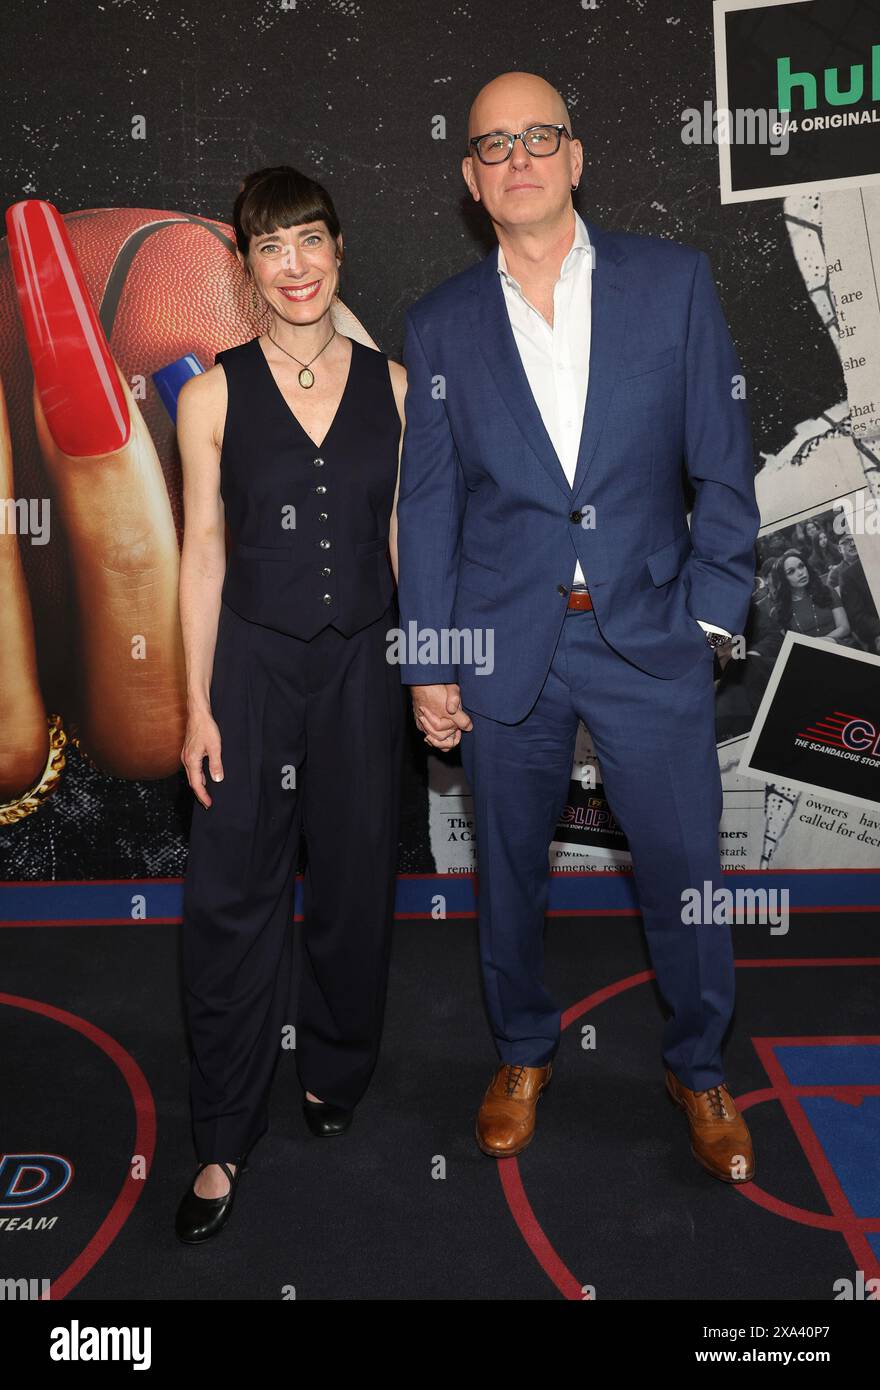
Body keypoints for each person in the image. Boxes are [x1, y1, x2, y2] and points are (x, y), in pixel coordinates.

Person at [395, 72, 761, 1183]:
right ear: (469, 178)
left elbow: (722, 463)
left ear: (575, 153)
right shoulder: (442, 321)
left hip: (648, 633)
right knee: (507, 871)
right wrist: (432, 659)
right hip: (504, 647)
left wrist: (710, 614)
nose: (518, 158)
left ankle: (699, 1065)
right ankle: (520, 1052)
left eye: (538, 135)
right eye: (492, 144)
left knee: (685, 868)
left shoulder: (671, 282)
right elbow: (431, 504)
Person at [173, 166, 406, 1242]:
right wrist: (195, 705)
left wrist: (427, 671)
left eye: (311, 240)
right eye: (272, 247)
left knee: (355, 884)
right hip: (251, 671)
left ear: (339, 249)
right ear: (246, 264)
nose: (296, 265)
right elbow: (202, 554)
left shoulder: (396, 387)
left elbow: (406, 545)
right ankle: (221, 1131)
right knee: (231, 900)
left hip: (361, 665)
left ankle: (335, 1070)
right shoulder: (210, 393)